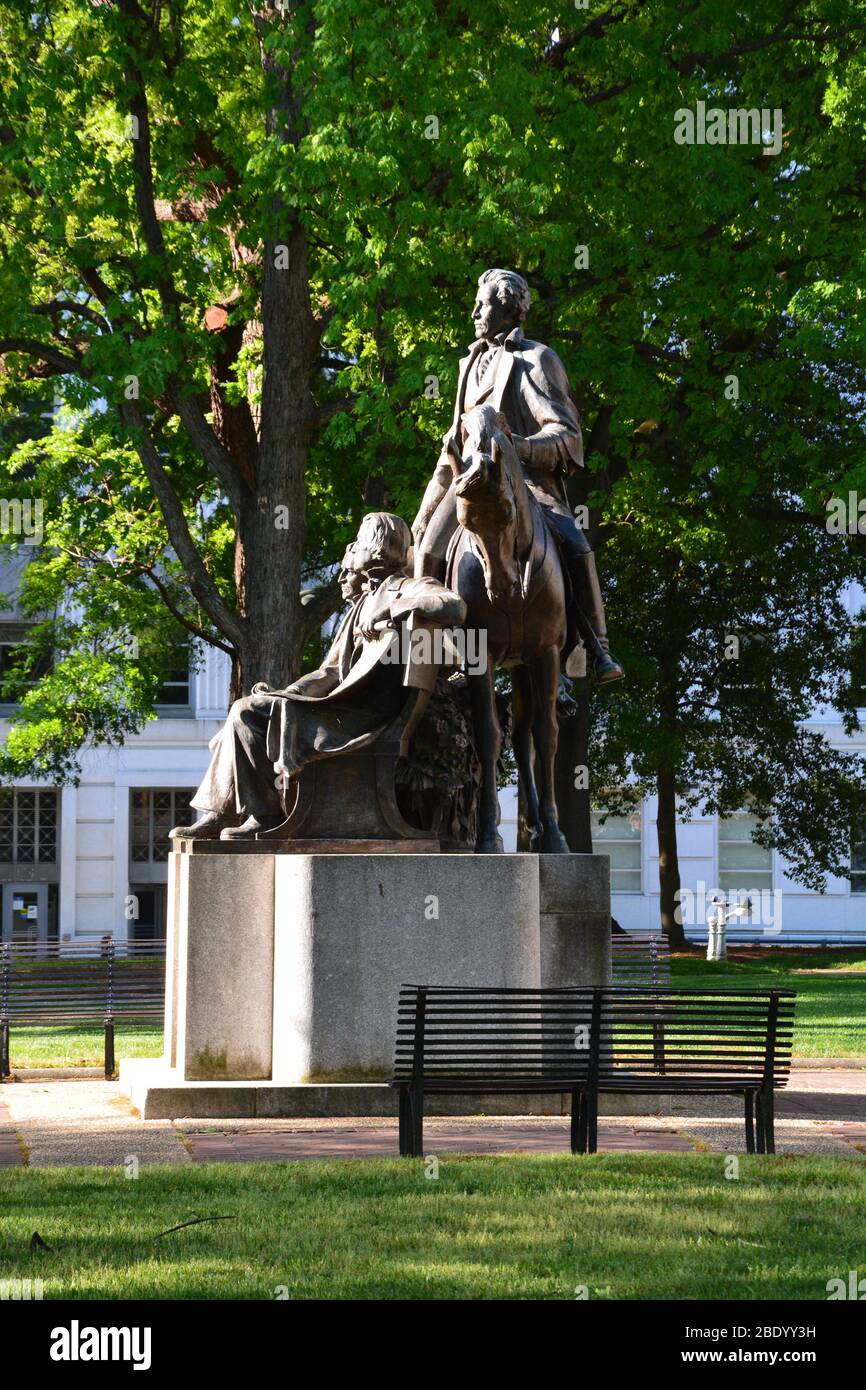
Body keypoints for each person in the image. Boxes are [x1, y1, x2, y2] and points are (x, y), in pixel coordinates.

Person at [169, 512, 466, 841]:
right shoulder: (360, 605)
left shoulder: (407, 588)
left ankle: (262, 814)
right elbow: (330, 671)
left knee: (246, 712)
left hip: (366, 715)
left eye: (357, 543)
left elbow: (453, 605)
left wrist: (394, 609)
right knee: (249, 707)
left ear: (378, 548)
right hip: (343, 708)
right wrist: (288, 693)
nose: (351, 550)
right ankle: (227, 811)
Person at [412, 267, 623, 684]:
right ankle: (430, 660)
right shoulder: (467, 365)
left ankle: (596, 645)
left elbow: (567, 436)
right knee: (425, 551)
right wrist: (425, 509)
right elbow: (449, 449)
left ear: (508, 307)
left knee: (577, 543)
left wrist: (517, 449)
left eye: (483, 303)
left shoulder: (537, 360)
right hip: (465, 482)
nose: (474, 310)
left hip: (523, 483)